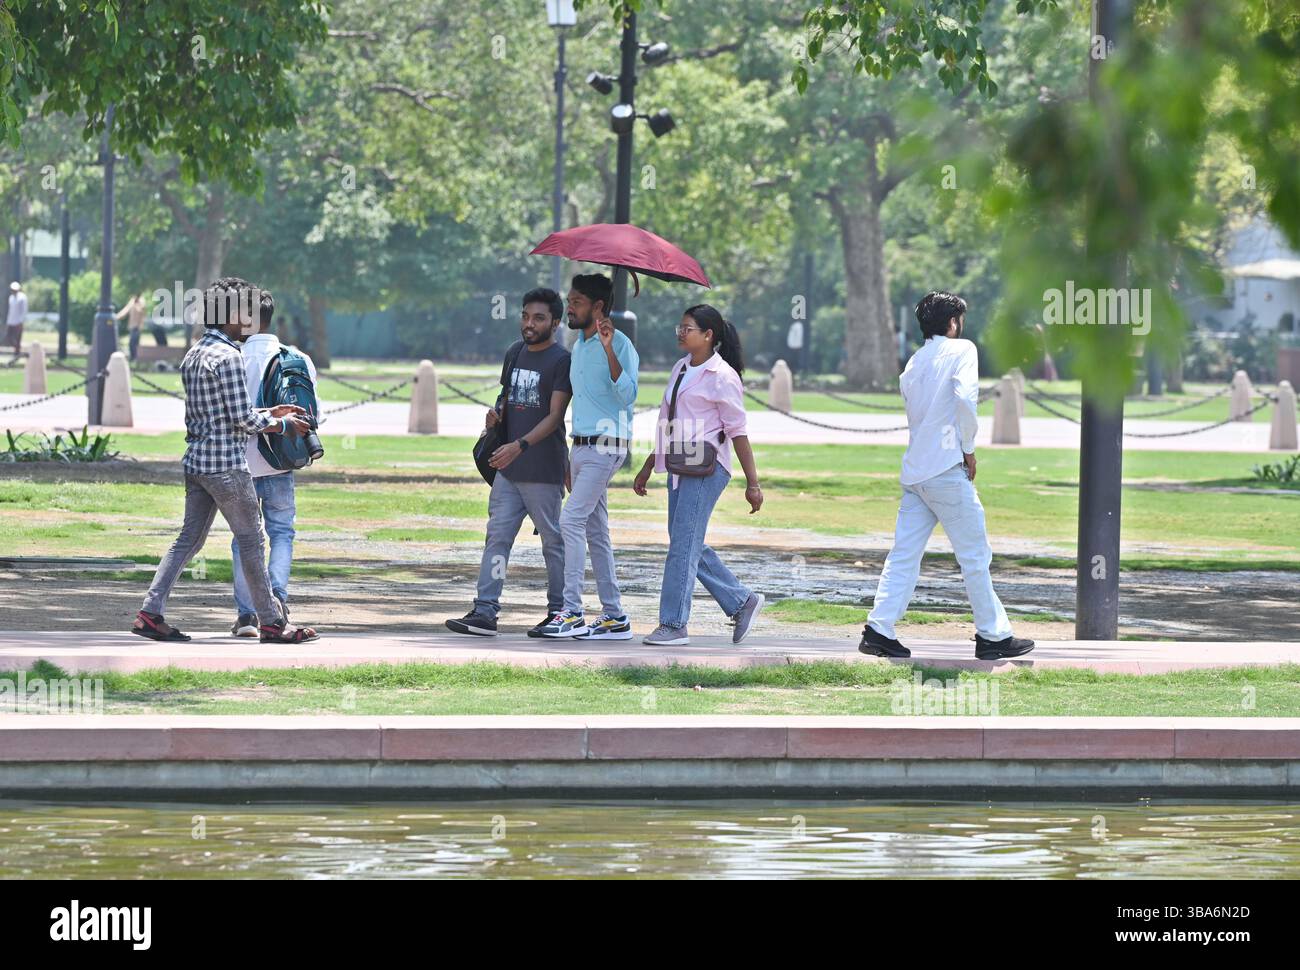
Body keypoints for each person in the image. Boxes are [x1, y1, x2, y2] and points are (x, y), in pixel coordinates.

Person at [130, 277, 319, 644]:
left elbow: (222, 414)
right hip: (227, 467)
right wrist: (283, 424)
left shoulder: (196, 352)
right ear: (231, 316)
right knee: (252, 541)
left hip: (197, 462)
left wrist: (270, 411)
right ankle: (272, 623)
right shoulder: (229, 356)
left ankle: (149, 614)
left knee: (187, 541)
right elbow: (242, 420)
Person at [861, 291, 1034, 661]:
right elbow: (966, 400)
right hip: (945, 469)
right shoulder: (962, 349)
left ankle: (879, 629)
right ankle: (993, 636)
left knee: (903, 556)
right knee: (975, 555)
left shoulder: (913, 362)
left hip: (916, 473)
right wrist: (968, 448)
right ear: (953, 322)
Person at [633, 305, 767, 646]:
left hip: (707, 468)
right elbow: (668, 423)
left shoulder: (722, 376)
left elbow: (738, 431)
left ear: (708, 335)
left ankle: (673, 624)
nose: (681, 333)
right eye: (680, 327)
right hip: (680, 465)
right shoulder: (680, 368)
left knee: (683, 545)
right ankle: (741, 601)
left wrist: (753, 483)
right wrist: (650, 464)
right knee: (685, 541)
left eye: (688, 328)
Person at [446, 287, 572, 637]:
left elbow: (555, 416)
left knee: (553, 543)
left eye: (539, 318)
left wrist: (521, 445)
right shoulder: (515, 352)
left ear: (555, 323)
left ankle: (559, 611)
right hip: (508, 469)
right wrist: (496, 415)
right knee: (497, 540)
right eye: (526, 316)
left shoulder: (561, 361)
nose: (529, 324)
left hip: (542, 469)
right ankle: (486, 611)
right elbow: (507, 396)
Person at [537, 273, 638, 640]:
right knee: (596, 532)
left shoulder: (621, 344)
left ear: (598, 307)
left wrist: (610, 349)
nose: (569, 308)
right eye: (569, 301)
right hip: (581, 446)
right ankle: (614, 616)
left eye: (576, 302)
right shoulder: (578, 346)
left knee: (570, 520)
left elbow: (627, 395)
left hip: (607, 444)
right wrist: (570, 455)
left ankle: (572, 612)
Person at [228, 292, 319, 637]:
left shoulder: (232, 358)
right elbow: (313, 413)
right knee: (282, 532)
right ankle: (277, 597)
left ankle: (248, 614)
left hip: (240, 463)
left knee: (244, 538)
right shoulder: (298, 359)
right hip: (281, 460)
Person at [114, 293, 147, 362]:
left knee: (134, 343)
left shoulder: (141, 301)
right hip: (132, 326)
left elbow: (141, 311)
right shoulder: (132, 301)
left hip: (137, 326)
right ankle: (133, 358)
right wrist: (116, 317)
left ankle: (134, 358)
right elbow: (126, 310)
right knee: (132, 343)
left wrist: (137, 304)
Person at [6, 281, 26, 356]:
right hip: (11, 320)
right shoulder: (11, 298)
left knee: (18, 338)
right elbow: (10, 310)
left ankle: (17, 352)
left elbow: (24, 310)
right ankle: (17, 349)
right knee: (9, 337)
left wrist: (21, 321)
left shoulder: (22, 297)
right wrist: (8, 321)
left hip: (18, 321)